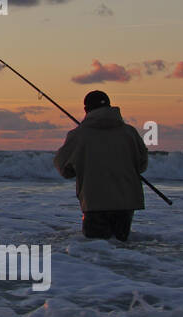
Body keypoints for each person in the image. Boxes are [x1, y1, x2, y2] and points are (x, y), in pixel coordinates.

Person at [53, 90, 148, 241]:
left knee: (97, 252)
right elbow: (142, 165)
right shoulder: (130, 133)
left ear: (86, 110)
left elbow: (63, 168)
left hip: (94, 202)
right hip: (126, 202)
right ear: (110, 107)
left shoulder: (79, 135)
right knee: (122, 251)